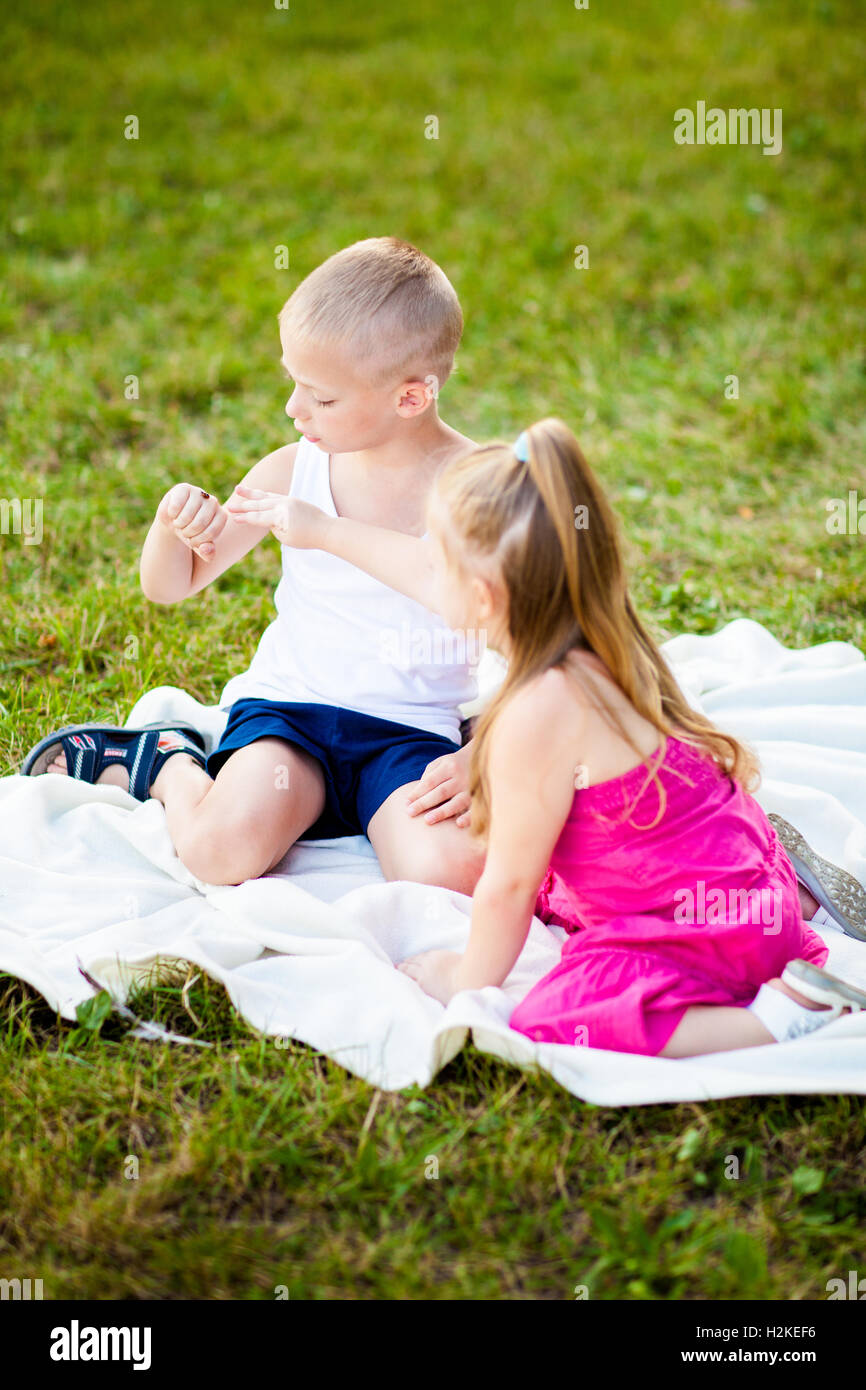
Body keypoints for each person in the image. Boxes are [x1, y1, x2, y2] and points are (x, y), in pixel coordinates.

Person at [228, 416, 866, 1056]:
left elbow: (506, 887)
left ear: (480, 597)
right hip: (742, 883)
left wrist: (463, 977)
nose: (421, 568)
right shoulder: (603, 640)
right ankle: (791, 898)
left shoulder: (534, 714)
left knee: (565, 1012)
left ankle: (777, 1018)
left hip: (701, 934)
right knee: (561, 890)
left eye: (433, 559)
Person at [21, 238, 486, 895]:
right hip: (292, 714)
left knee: (449, 875)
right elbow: (170, 586)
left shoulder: (479, 487)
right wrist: (169, 528)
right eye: (292, 381)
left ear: (409, 399)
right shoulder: (295, 469)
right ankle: (165, 759)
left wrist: (480, 753)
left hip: (409, 733)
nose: (294, 409)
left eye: (320, 397)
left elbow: (529, 629)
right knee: (220, 851)